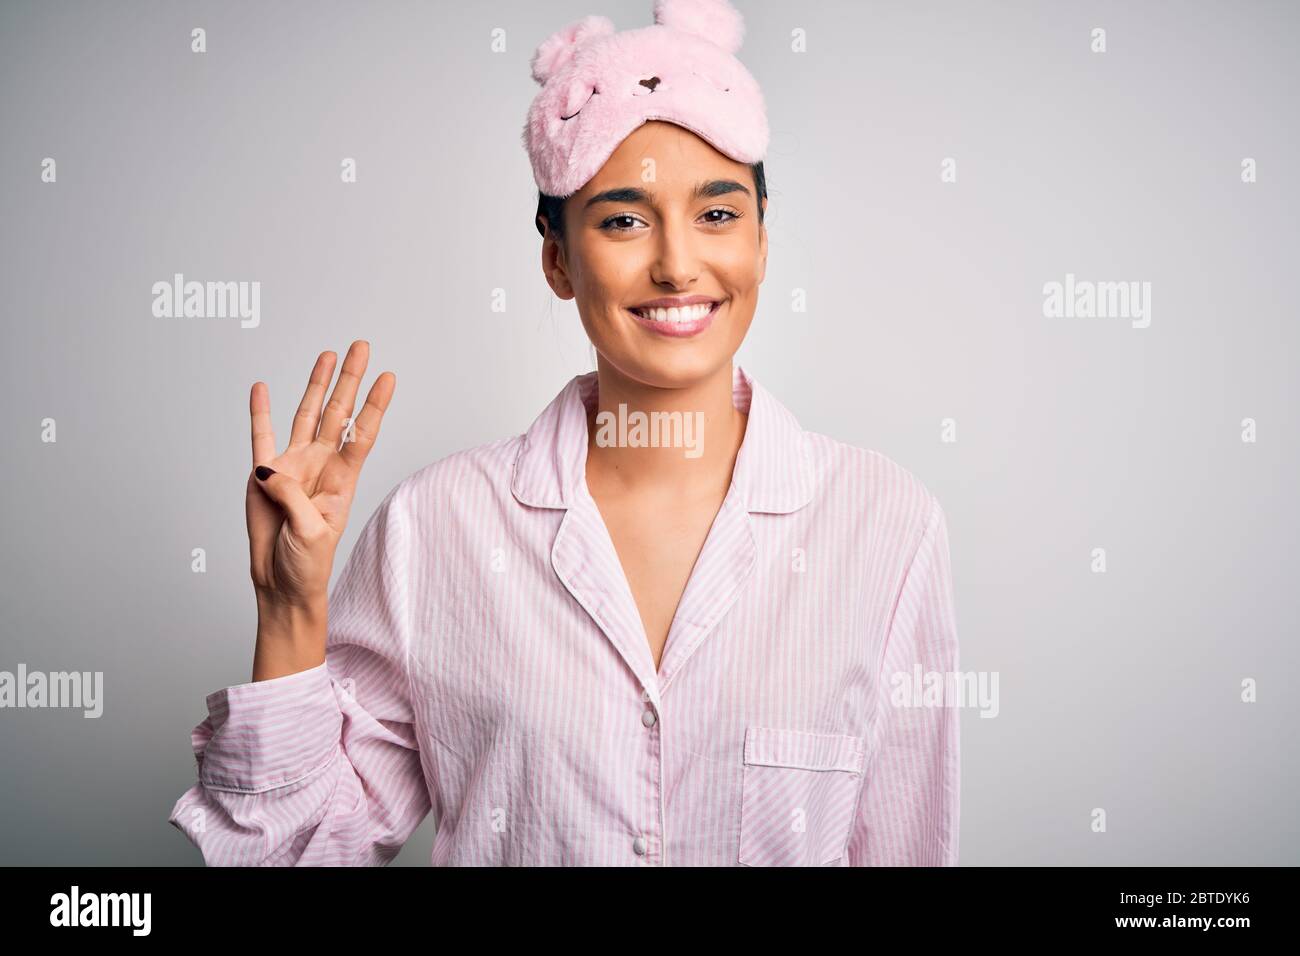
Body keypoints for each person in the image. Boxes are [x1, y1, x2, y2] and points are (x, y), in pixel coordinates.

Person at [167, 0, 960, 866]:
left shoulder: (885, 524)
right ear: (557, 259)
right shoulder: (434, 530)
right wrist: (288, 610)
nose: (677, 265)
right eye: (624, 220)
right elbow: (301, 856)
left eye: (717, 214)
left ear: (762, 241)